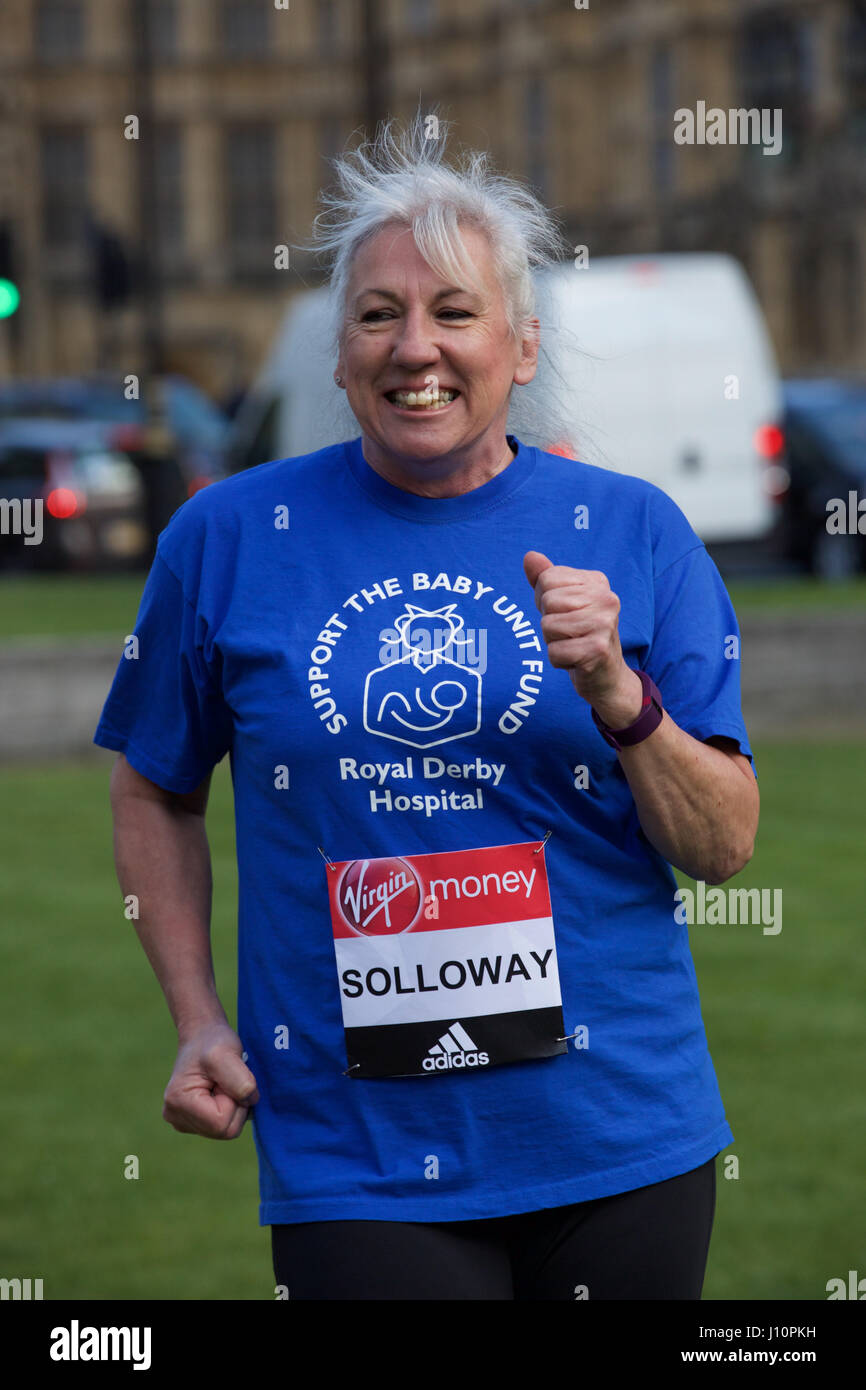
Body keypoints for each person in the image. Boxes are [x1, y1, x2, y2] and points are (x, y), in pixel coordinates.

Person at [94, 114, 759, 1301]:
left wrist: (619, 692)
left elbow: (721, 844)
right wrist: (196, 1017)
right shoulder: (229, 538)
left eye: (453, 312)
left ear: (518, 344)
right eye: (377, 315)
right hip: (355, 1155)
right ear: (339, 355)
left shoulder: (634, 531)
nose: (416, 349)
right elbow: (153, 782)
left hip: (618, 1138)